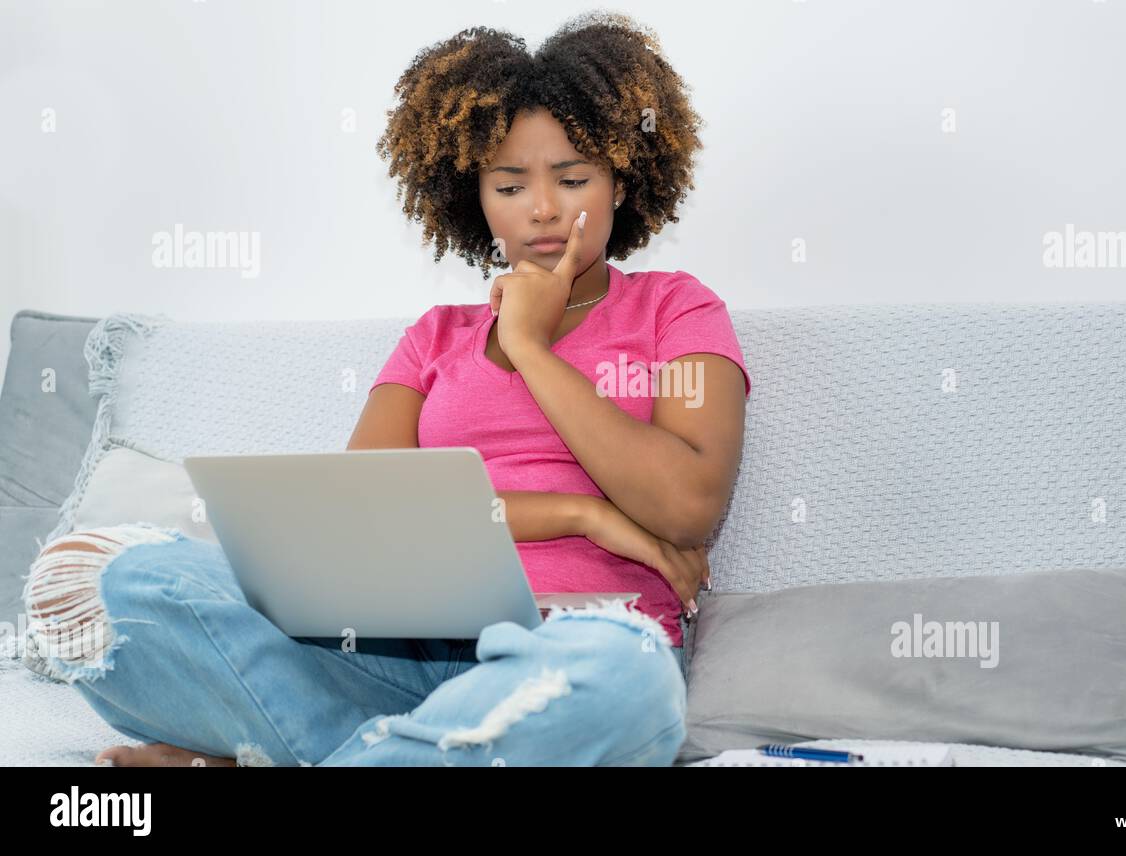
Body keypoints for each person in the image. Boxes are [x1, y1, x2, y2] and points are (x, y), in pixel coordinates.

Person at [22, 11, 751, 767]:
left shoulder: (677, 310)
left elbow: (686, 505)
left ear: (622, 181)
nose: (542, 208)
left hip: (578, 650)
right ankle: (409, 746)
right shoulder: (434, 337)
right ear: (475, 197)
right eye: (509, 185)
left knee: (629, 685)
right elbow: (360, 522)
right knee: (105, 582)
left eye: (572, 180)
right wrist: (583, 514)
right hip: (393, 656)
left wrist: (531, 347)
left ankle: (316, 750)